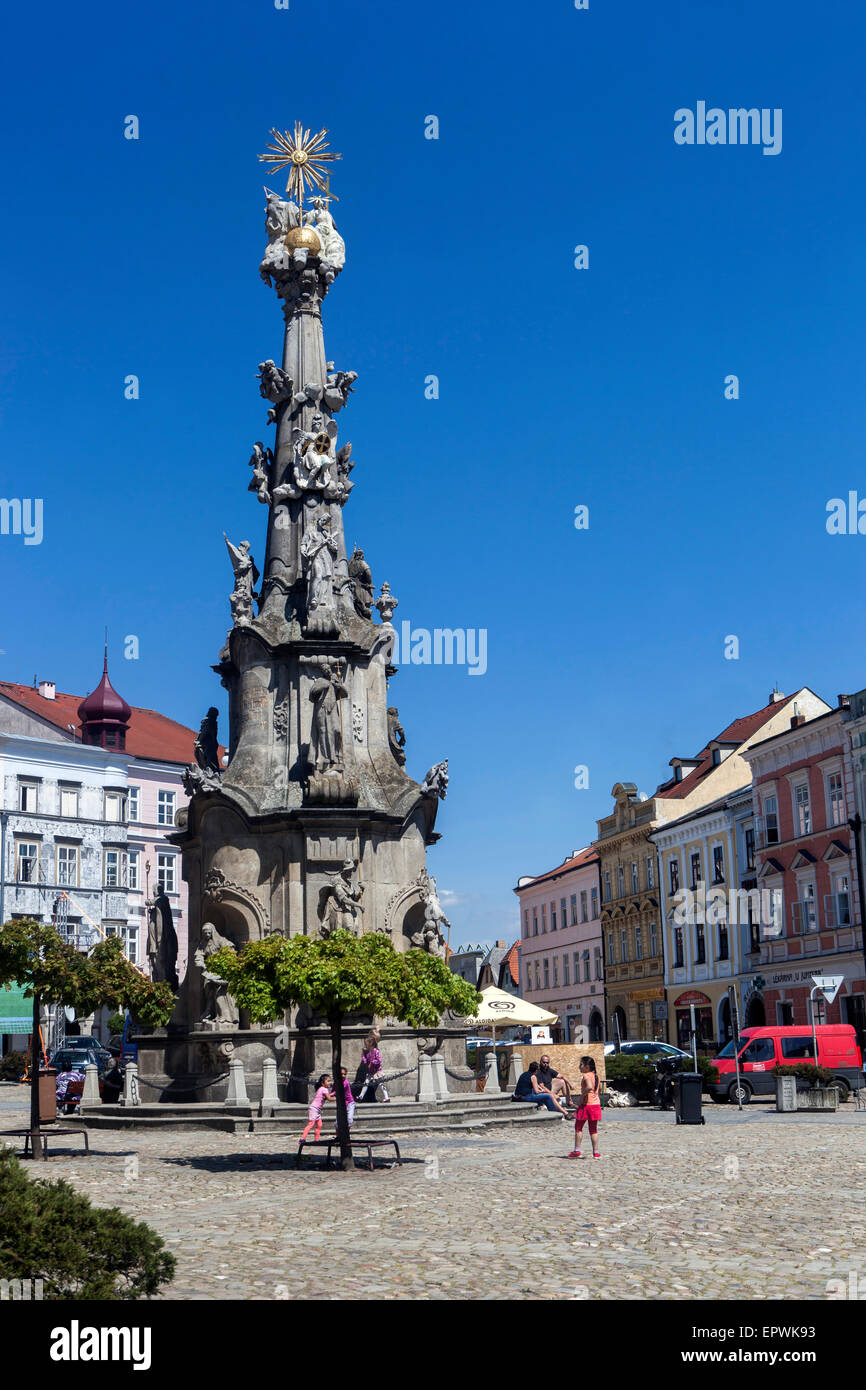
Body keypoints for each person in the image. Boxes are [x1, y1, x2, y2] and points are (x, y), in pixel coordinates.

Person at [570, 1056, 602, 1158]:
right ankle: (596, 1152)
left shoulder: (586, 1076)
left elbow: (589, 1087)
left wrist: (582, 1096)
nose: (579, 1067)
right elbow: (599, 1090)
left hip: (586, 1105)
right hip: (596, 1105)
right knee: (593, 1129)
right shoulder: (596, 1076)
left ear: (587, 1067)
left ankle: (577, 1150)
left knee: (578, 1127)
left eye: (581, 1065)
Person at [357, 1028, 390, 1103]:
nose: (366, 1045)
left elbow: (379, 1060)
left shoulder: (376, 1051)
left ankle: (387, 1097)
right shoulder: (368, 1051)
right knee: (366, 1083)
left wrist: (372, 1062)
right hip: (370, 1071)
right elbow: (365, 1059)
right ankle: (361, 1096)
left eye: (367, 1044)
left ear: (371, 1043)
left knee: (381, 1083)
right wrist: (364, 1057)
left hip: (376, 1071)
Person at [301, 1074, 332, 1143]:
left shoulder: (321, 1089)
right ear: (322, 1083)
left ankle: (316, 1139)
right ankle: (302, 1138)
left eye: (330, 1081)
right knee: (311, 1124)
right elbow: (329, 1098)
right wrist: (338, 1098)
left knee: (319, 1124)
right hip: (314, 1109)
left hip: (317, 1110)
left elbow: (326, 1097)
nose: (330, 1082)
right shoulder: (324, 1089)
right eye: (328, 1081)